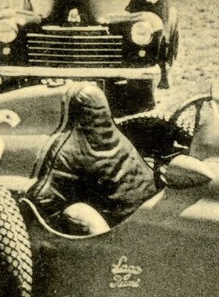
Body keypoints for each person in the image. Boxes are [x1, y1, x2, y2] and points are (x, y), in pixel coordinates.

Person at [31, 83, 159, 235]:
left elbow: (41, 199)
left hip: (122, 232)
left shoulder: (67, 150)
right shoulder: (118, 138)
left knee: (76, 211)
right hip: (148, 212)